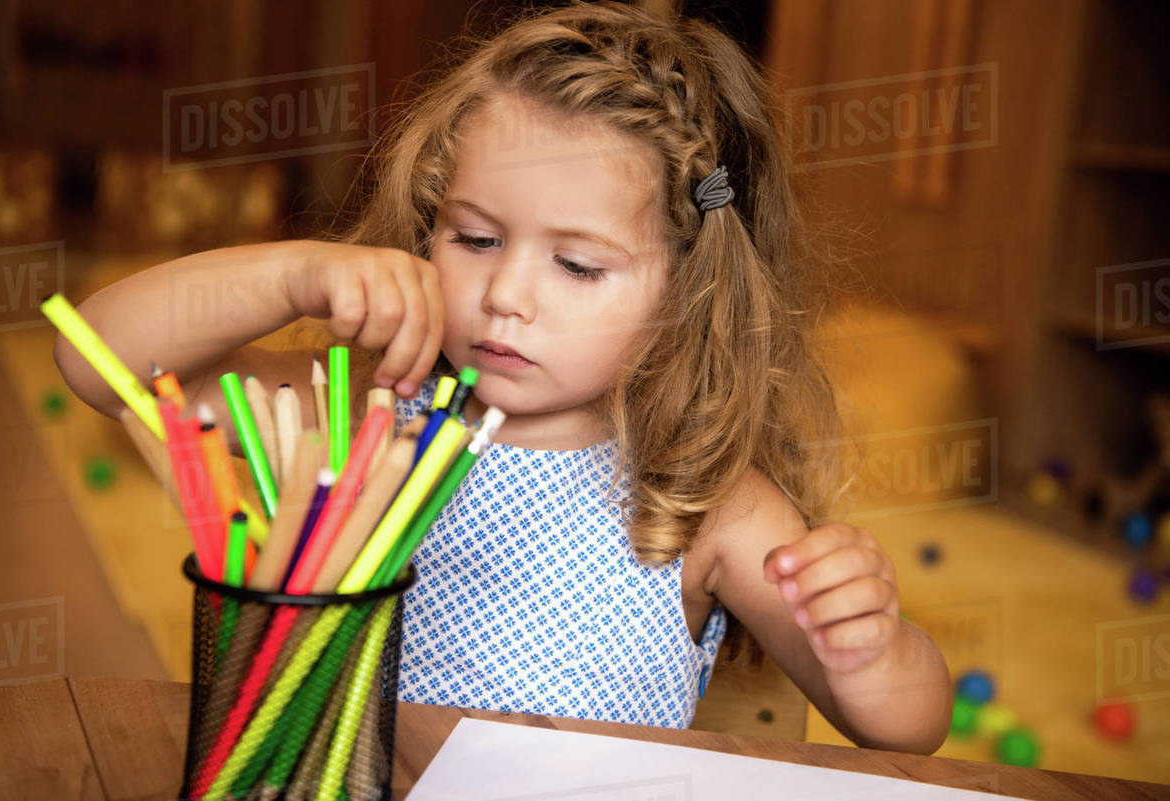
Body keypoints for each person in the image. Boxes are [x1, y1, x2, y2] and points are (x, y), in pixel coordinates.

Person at [54, 0, 952, 752]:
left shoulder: (707, 501)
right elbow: (94, 360)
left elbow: (905, 729)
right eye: (476, 239)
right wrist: (294, 273)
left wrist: (871, 647)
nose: (507, 295)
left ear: (688, 288)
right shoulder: (361, 414)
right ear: (427, 223)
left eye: (578, 266)